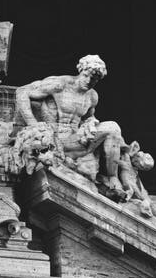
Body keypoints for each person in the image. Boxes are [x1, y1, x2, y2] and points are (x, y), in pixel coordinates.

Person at [15, 54, 124, 192]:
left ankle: (112, 177)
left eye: (95, 79)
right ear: (81, 71)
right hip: (56, 140)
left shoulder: (92, 96)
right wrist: (33, 124)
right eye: (87, 75)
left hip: (77, 140)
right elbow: (22, 92)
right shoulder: (59, 84)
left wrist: (91, 122)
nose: (89, 81)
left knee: (113, 128)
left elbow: (89, 117)